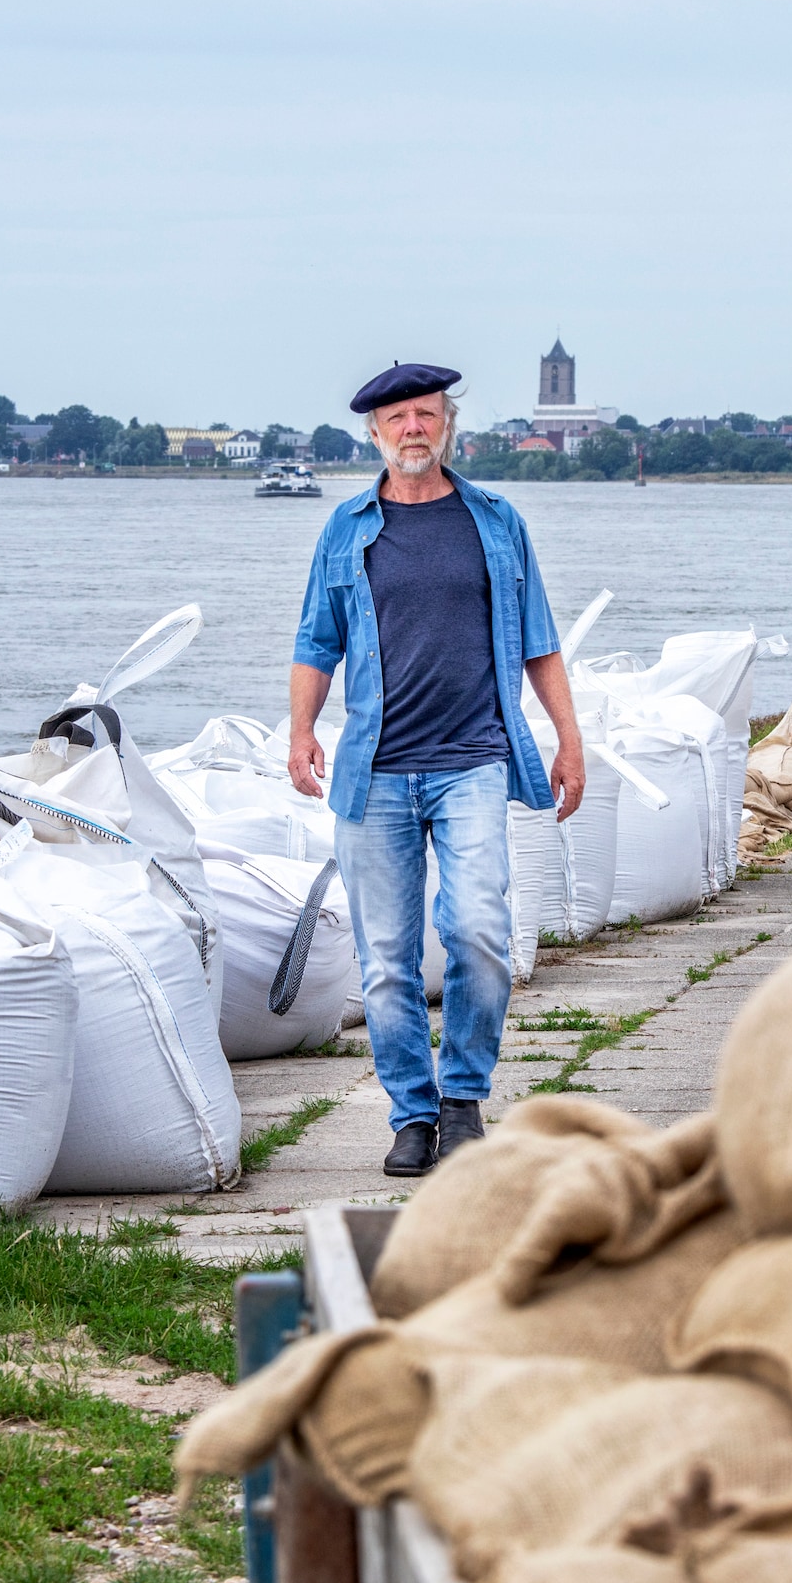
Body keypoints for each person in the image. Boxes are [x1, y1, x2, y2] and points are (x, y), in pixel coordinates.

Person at [289, 362, 586, 1177]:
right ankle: (412, 1116)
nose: (413, 428)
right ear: (375, 433)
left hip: (473, 761)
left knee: (480, 932)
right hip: (375, 770)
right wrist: (301, 730)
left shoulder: (495, 521)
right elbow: (317, 640)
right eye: (398, 419)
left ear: (447, 424)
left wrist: (569, 738)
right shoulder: (346, 529)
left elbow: (539, 639)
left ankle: (462, 1099)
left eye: (426, 414)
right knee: (386, 959)